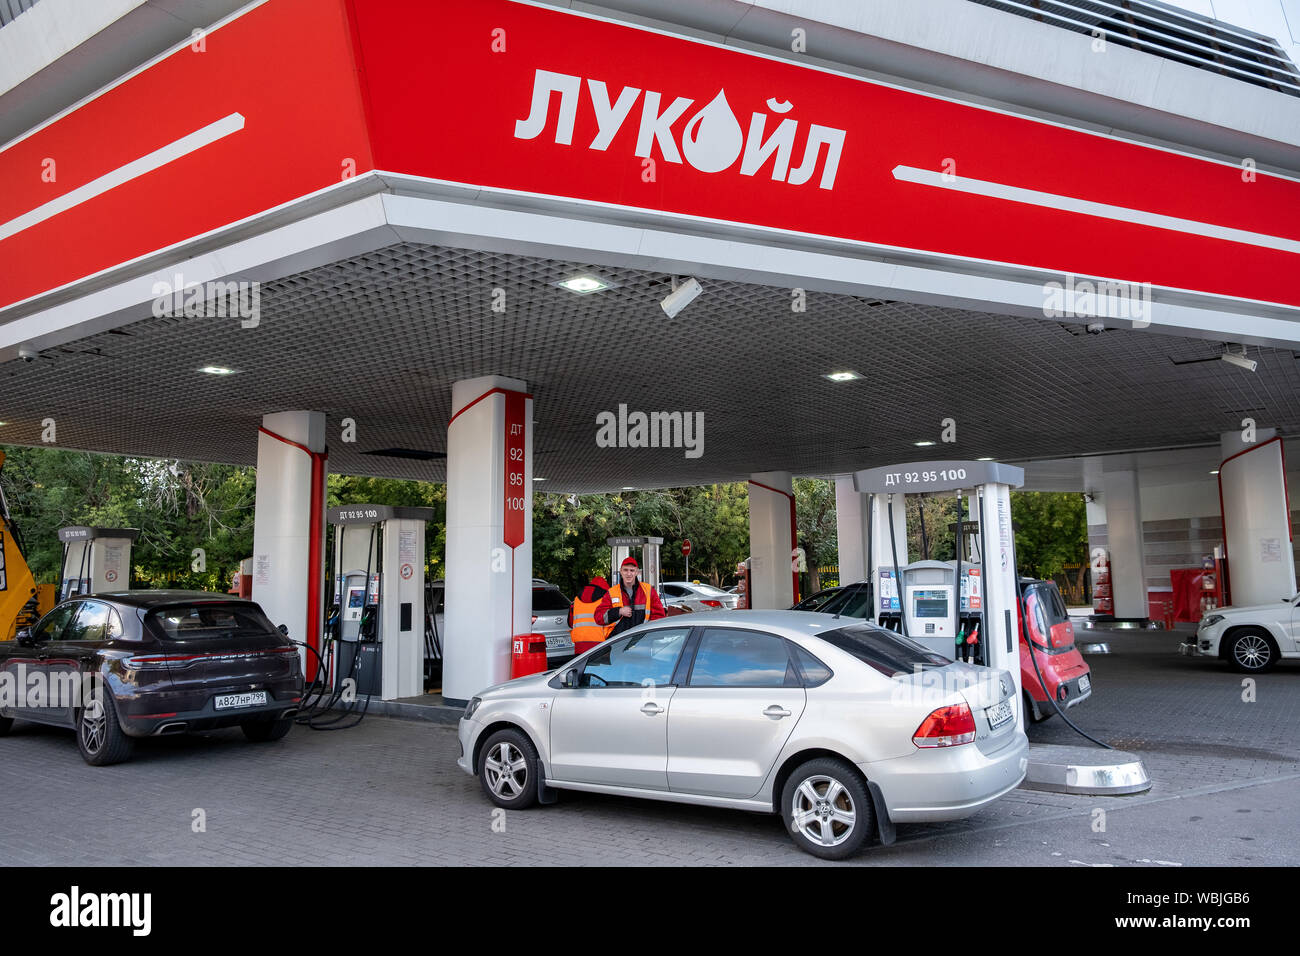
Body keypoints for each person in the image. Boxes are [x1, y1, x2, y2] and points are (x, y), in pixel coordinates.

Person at [592, 556, 665, 637]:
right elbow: (599, 617)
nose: (629, 574)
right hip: (617, 642)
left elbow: (659, 616)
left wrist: (648, 636)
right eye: (625, 570)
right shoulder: (612, 592)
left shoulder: (648, 590)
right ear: (621, 571)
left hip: (643, 642)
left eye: (632, 570)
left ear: (637, 572)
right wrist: (619, 611)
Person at [568, 575, 614, 655]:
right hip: (601, 644)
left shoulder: (576, 600)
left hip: (580, 645)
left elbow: (570, 623)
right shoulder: (606, 600)